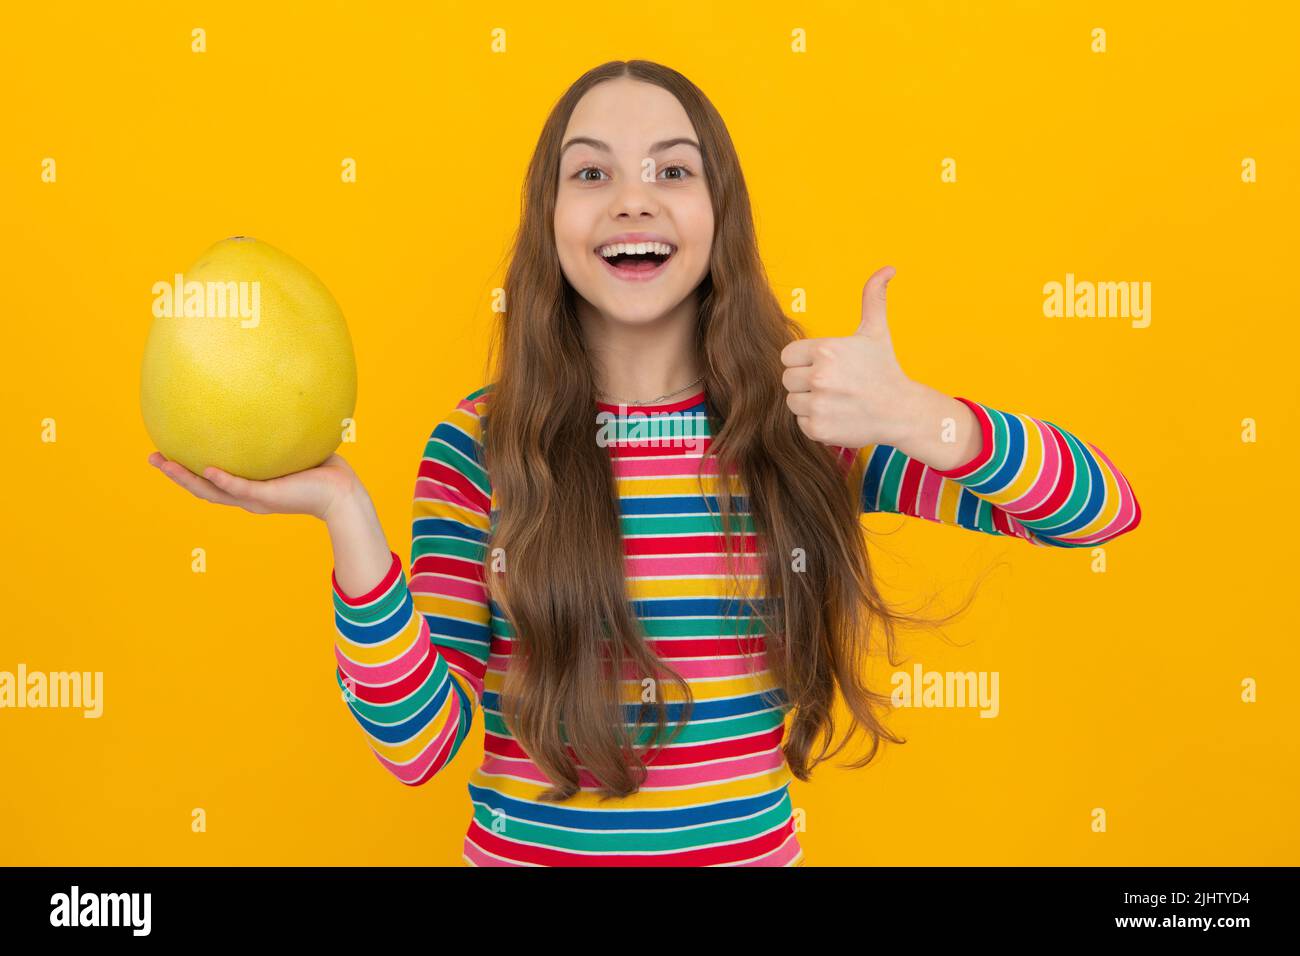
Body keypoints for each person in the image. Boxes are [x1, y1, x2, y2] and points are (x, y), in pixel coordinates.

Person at [149, 60, 1141, 866]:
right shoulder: (478, 446)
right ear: (549, 219)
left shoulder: (807, 421)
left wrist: (917, 416)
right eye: (591, 173)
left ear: (722, 216)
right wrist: (345, 515)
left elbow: (1100, 509)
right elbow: (421, 749)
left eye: (672, 171)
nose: (632, 200)